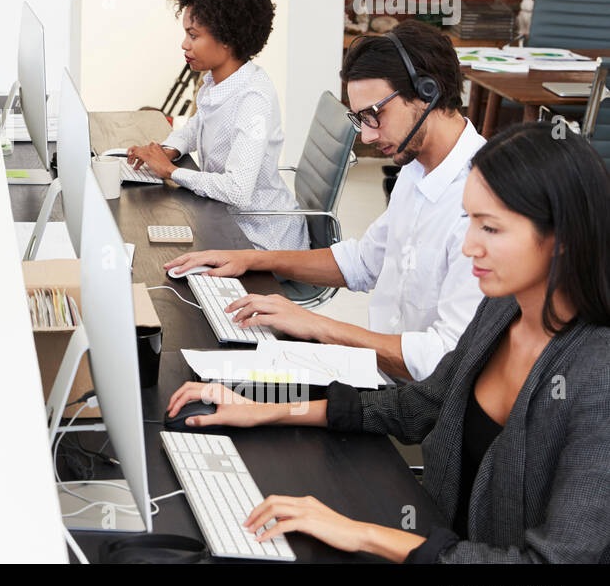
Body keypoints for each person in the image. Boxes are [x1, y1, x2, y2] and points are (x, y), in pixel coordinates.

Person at [166, 122, 610, 563]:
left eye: (490, 228)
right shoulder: (504, 310)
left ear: (563, 239)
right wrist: (267, 409)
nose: (469, 246)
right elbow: (420, 405)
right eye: (468, 220)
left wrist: (363, 535)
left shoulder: (598, 374)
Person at [167, 19, 486, 380]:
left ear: (428, 92)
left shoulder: (482, 204)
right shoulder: (417, 168)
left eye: (374, 115)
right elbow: (363, 262)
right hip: (381, 376)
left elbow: (444, 360)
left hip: (420, 405)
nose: (366, 136)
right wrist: (249, 258)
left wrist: (318, 327)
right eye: (360, 118)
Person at [125, 0, 305, 251]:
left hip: (260, 239)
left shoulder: (252, 99)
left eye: (193, 36)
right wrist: (168, 150)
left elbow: (237, 190)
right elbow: (198, 125)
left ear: (227, 39)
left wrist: (171, 171)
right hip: (223, 221)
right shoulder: (217, 81)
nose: (184, 44)